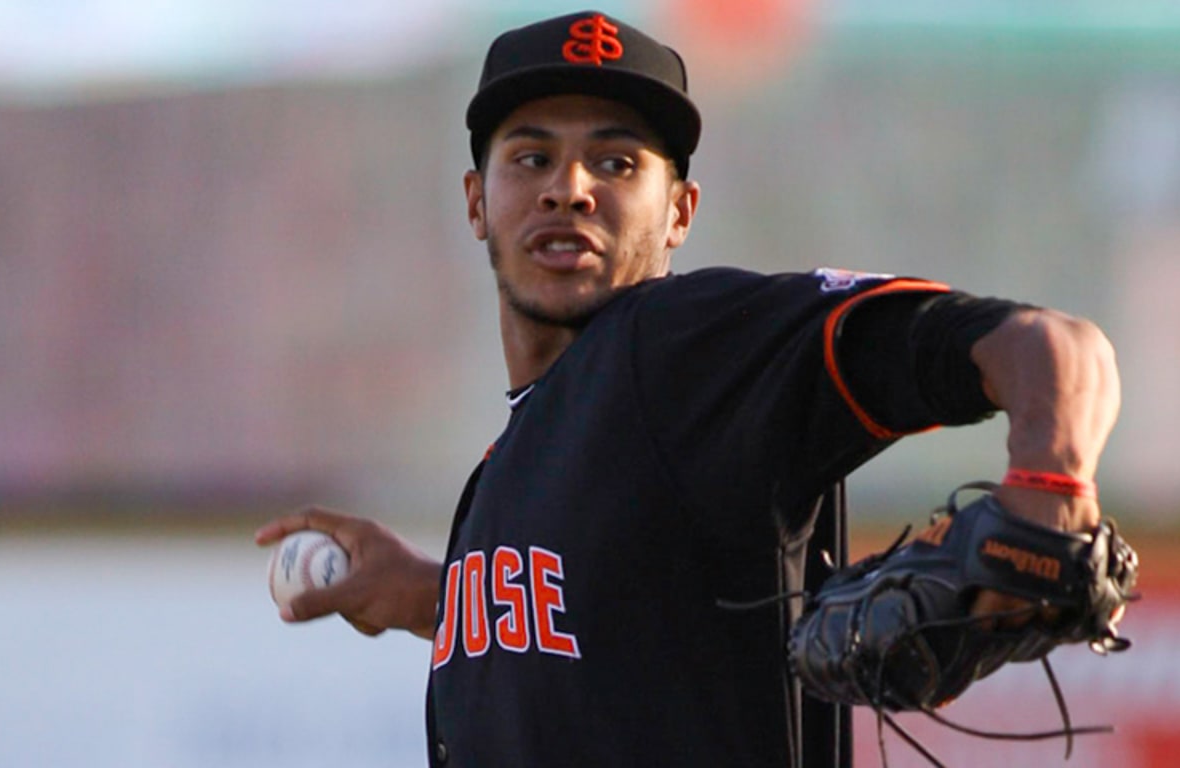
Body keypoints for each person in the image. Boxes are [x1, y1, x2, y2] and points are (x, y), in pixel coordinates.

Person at [255, 10, 1122, 768]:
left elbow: (1050, 345)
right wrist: (429, 595)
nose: (571, 189)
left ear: (680, 214)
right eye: (533, 157)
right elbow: (608, 617)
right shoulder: (524, 448)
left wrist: (1049, 488)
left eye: (618, 162)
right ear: (479, 201)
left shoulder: (683, 347)